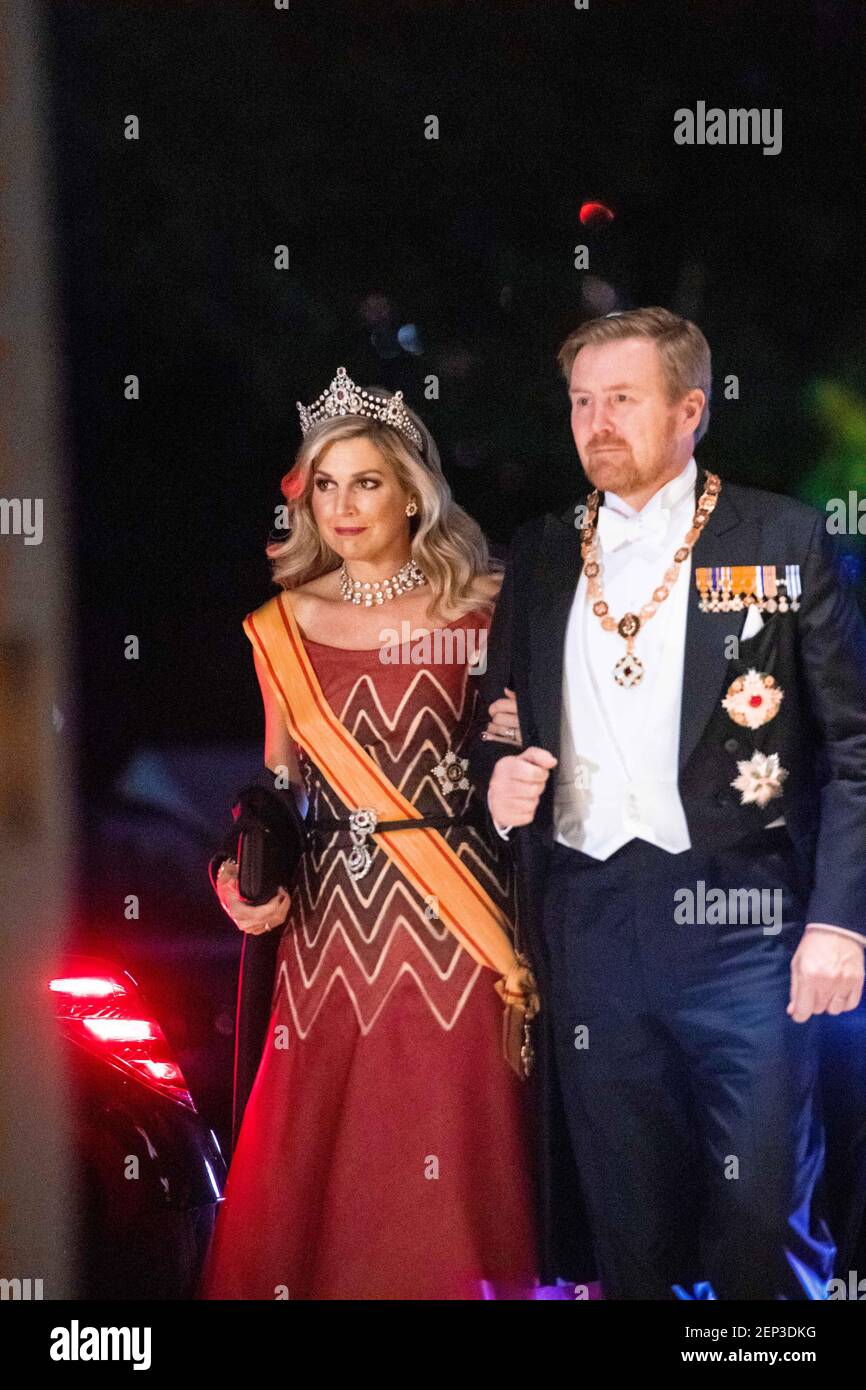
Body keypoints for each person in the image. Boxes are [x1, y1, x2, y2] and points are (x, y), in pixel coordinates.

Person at [470, 307, 866, 1300]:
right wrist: (500, 780)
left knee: (759, 1218)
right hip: (590, 917)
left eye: (621, 399)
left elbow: (853, 744)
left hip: (745, 922)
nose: (594, 423)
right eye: (580, 402)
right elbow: (498, 718)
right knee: (628, 1232)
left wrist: (836, 923)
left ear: (690, 410)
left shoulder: (780, 535)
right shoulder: (541, 551)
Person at [199, 367, 547, 1300]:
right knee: (326, 1181)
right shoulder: (280, 627)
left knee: (456, 1168)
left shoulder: (489, 608)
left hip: (465, 928)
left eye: (366, 482)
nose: (344, 506)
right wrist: (243, 877)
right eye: (325, 484)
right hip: (332, 936)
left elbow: (536, 749)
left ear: (411, 492)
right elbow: (276, 791)